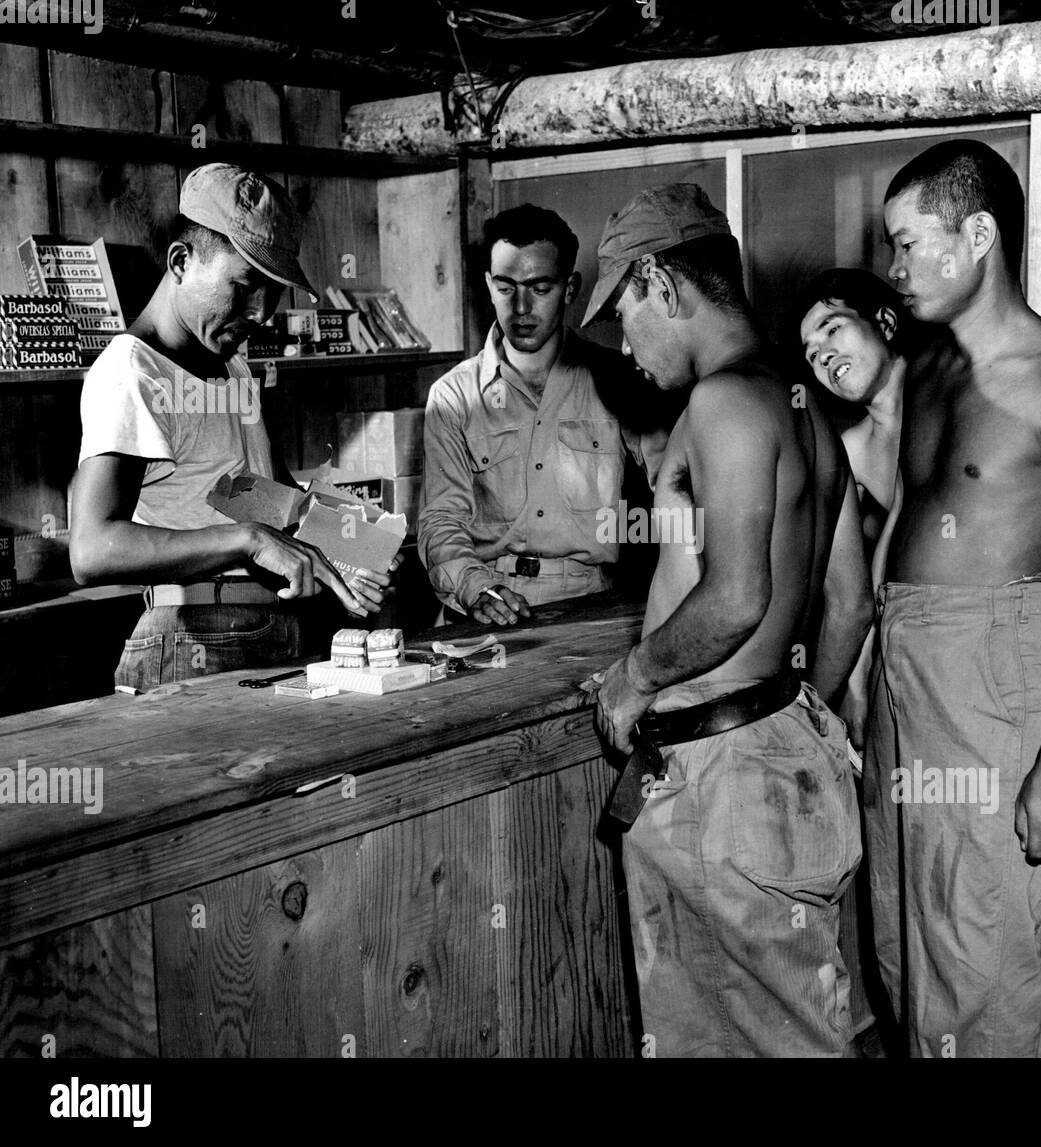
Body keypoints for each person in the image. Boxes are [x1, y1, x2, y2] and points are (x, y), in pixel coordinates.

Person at [589, 183, 872, 1057]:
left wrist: (632, 679)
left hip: (724, 784)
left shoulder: (722, 404)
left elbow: (737, 594)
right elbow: (849, 599)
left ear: (660, 285)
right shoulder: (806, 403)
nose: (626, 348)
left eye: (624, 314)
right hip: (774, 742)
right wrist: (784, 714)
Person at [866, 139, 1041, 1057]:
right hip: (907, 671)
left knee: (979, 956)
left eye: (907, 243)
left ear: (979, 234)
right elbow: (901, 521)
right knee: (904, 942)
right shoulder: (929, 368)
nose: (893, 270)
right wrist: (864, 668)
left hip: (993, 674)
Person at [70, 163, 395, 691]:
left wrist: (366, 546)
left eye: (273, 293)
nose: (263, 313)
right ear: (181, 262)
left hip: (271, 627)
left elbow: (262, 499)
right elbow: (91, 549)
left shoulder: (231, 365)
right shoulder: (133, 371)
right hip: (191, 636)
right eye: (244, 288)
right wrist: (248, 541)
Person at [418, 204, 633, 628]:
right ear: (487, 285)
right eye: (505, 287)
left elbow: (674, 488)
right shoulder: (452, 395)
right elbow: (441, 519)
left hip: (589, 605)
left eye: (539, 288)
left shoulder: (617, 380)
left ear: (570, 287)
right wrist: (473, 586)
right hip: (480, 604)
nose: (520, 307)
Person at [796, 268, 910, 753]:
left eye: (833, 328)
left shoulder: (946, 403)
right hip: (902, 649)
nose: (824, 355)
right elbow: (859, 588)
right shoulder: (851, 449)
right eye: (812, 354)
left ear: (884, 321)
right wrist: (857, 685)